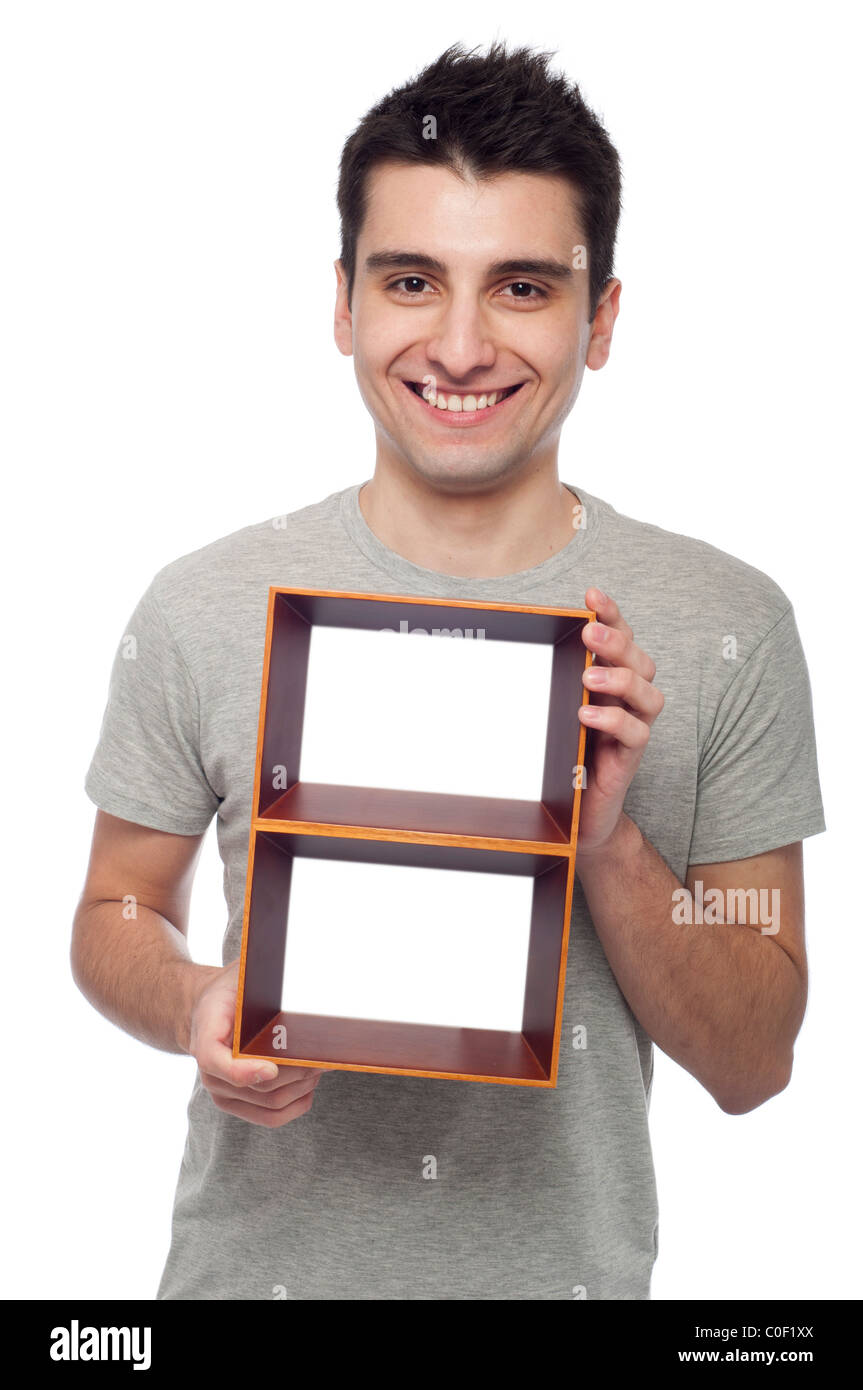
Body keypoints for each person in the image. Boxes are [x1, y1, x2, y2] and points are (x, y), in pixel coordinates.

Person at [73, 42, 825, 1301]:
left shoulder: (725, 623)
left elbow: (755, 1058)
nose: (460, 345)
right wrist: (198, 999)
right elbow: (113, 913)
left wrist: (607, 841)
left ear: (601, 319)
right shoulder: (201, 602)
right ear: (342, 303)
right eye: (412, 279)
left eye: (522, 287)